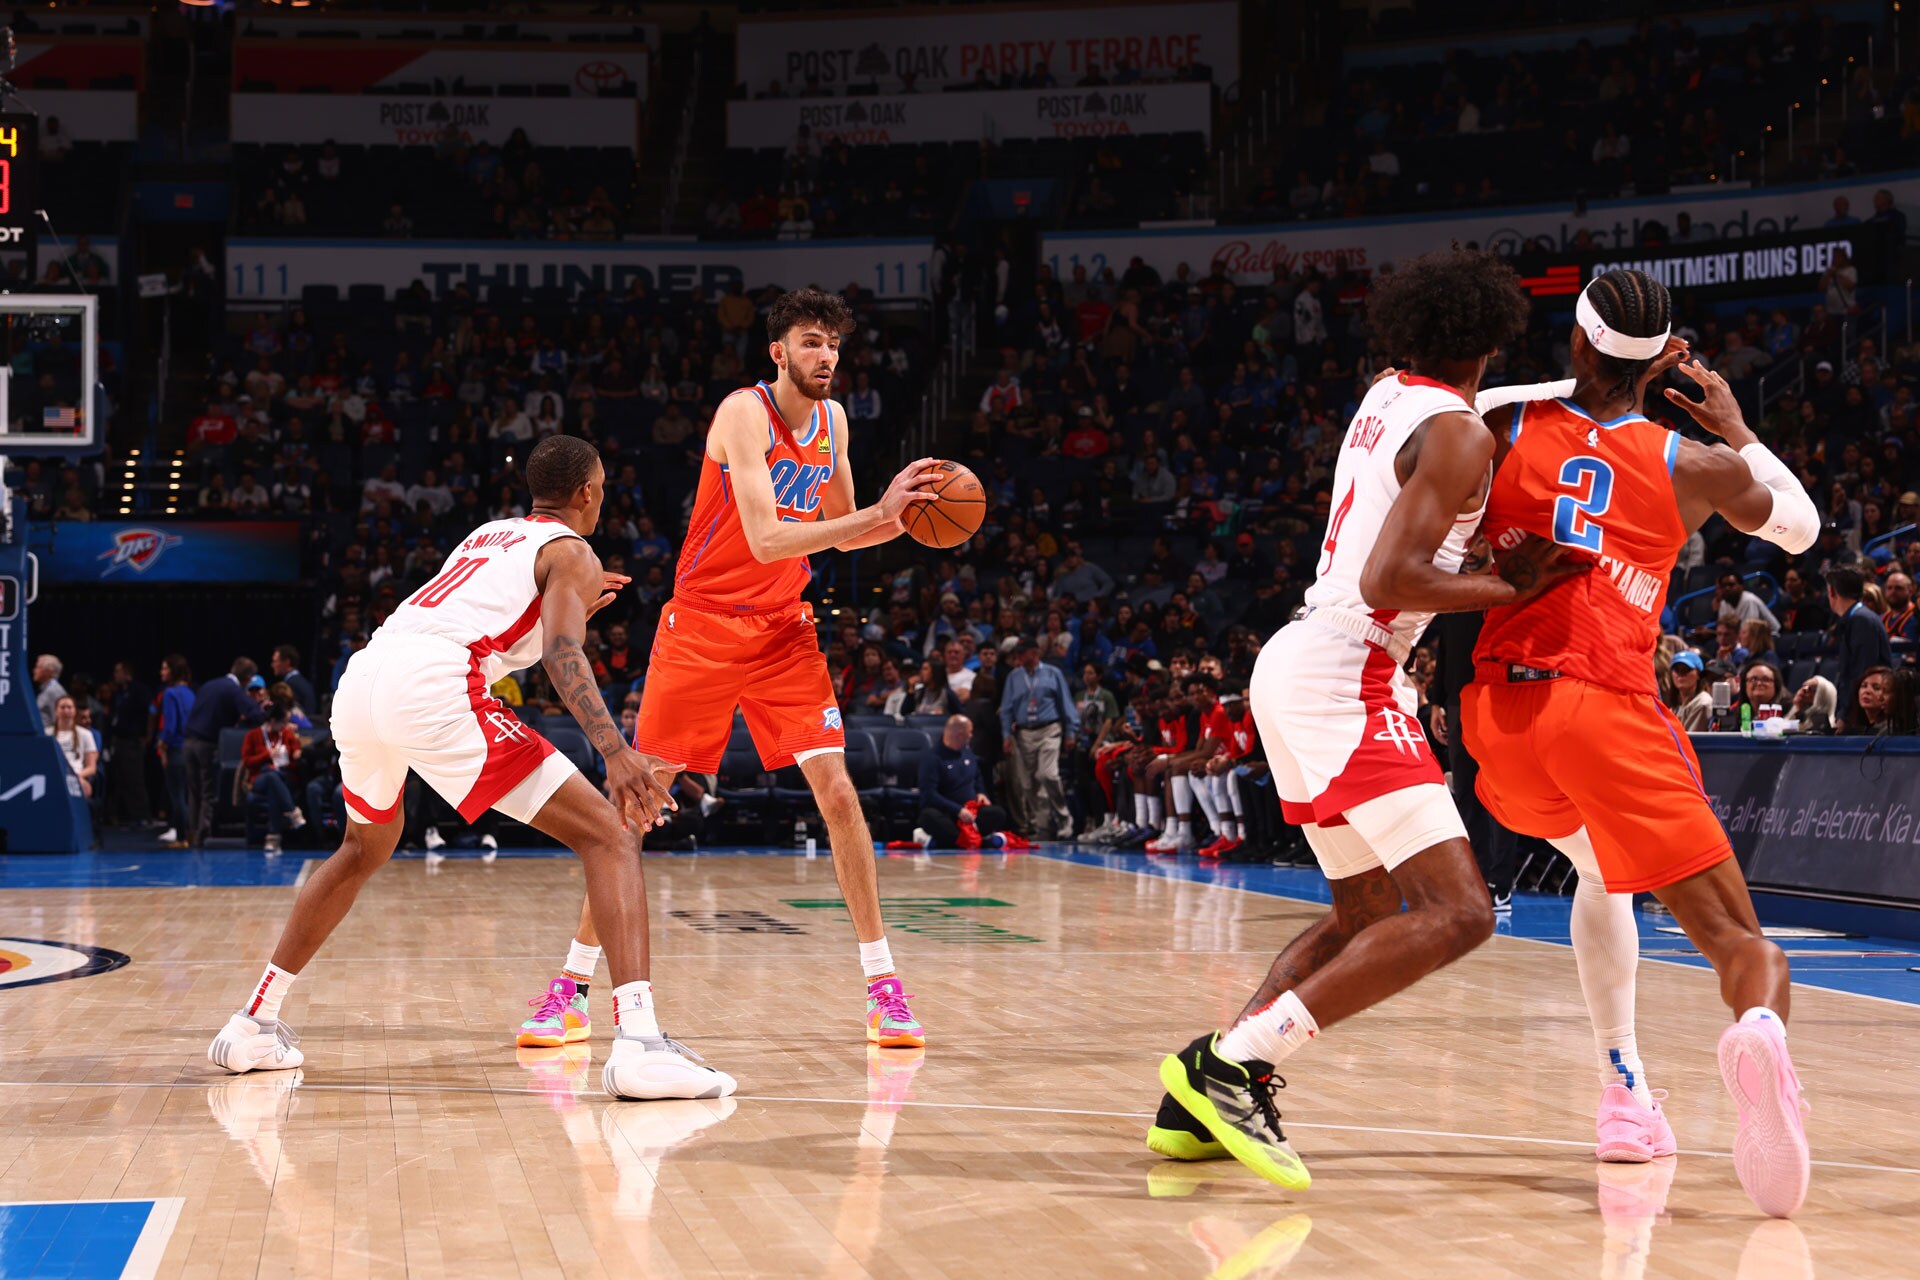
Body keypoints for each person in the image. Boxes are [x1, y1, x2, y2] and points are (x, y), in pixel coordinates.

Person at [1153, 249, 1573, 1190]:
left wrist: (1552, 387)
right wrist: (1507, 583)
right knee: (1461, 914)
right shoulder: (1462, 433)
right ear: (1492, 335)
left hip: (1299, 661)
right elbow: (1392, 580)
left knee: (1365, 910)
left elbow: (1480, 398)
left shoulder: (1389, 392)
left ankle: (1194, 1102)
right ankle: (1233, 1067)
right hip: (1351, 669)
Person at [208, 434, 725, 1104]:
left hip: (365, 677)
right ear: (588, 493)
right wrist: (617, 752)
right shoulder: (573, 551)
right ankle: (640, 1045)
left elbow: (498, 634)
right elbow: (564, 653)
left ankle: (254, 1023)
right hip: (434, 684)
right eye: (602, 487)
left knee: (362, 848)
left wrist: (547, 630)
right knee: (610, 835)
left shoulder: (488, 535)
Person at [1465, 268, 1822, 1217]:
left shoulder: (1504, 426)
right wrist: (1736, 424)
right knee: (1738, 943)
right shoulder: (1695, 463)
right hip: (1603, 705)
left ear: (1576, 345)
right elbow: (1800, 528)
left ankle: (1624, 1095)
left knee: (1597, 871)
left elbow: (1474, 402)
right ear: (1669, 358)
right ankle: (1757, 1032)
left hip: (1497, 722)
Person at [526, 290, 942, 1056]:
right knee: (636, 809)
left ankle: (884, 989)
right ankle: (570, 989)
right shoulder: (741, 415)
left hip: (785, 631)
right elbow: (767, 537)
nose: (828, 358)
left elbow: (844, 539)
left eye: (836, 347)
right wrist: (878, 514)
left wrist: (902, 516)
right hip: (704, 628)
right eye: (813, 343)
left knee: (839, 792)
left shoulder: (835, 422)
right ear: (779, 352)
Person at [181, 658, 271, 850]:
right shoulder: (233, 689)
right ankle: (201, 836)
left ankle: (191, 832)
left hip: (188, 742)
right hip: (205, 744)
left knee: (193, 791)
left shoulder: (210, 684)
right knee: (207, 791)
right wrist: (265, 711)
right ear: (247, 677)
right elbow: (254, 714)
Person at [998, 637, 1079, 839]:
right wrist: (1006, 735)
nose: (1017, 656)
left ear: (1034, 653)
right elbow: (1007, 708)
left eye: (1021, 652)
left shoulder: (1053, 673)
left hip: (1049, 729)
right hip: (1024, 733)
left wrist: (1070, 732)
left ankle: (1064, 818)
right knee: (1028, 784)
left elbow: (1066, 703)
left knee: (1048, 775)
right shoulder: (1013, 677)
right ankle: (1043, 826)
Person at [914, 714, 1013, 848]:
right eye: (970, 732)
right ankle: (981, 842)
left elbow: (977, 778)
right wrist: (958, 810)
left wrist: (981, 794)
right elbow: (929, 795)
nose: (972, 736)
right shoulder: (932, 759)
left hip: (970, 813)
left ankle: (946, 842)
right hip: (947, 812)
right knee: (929, 817)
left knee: (997, 813)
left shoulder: (968, 753)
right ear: (960, 734)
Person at [1826, 566, 1893, 731]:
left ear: (1832, 592)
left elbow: (1861, 672)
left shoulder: (1861, 620)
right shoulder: (1856, 618)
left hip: (1862, 717)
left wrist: (1844, 716)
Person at [241, 686, 307, 852]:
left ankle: (274, 836)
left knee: (274, 786)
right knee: (270, 777)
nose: (286, 725)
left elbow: (295, 757)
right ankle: (292, 812)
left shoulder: (287, 734)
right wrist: (267, 754)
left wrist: (297, 751)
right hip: (259, 779)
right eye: (282, 722)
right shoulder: (253, 735)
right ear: (272, 721)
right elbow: (248, 762)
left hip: (284, 777)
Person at [105, 661, 152, 826]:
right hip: (118, 741)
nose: (115, 675)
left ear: (127, 673)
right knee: (119, 779)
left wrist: (145, 736)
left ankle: (142, 816)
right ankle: (122, 815)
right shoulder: (117, 693)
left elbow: (149, 713)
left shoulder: (139, 692)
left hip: (133, 741)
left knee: (135, 779)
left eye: (118, 672)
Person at [156, 655, 195, 846]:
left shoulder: (170, 693)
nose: (161, 672)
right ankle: (189, 834)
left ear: (172, 670)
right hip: (189, 748)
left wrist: (162, 747)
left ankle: (181, 837)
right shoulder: (189, 692)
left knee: (177, 795)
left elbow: (170, 727)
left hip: (176, 749)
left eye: (164, 668)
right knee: (186, 794)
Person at [48, 695, 97, 800]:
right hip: (52, 774)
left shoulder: (85, 734)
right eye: (62, 707)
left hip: (75, 775)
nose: (66, 710)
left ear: (75, 711)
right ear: (56, 711)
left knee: (85, 788)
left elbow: (91, 767)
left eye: (69, 707)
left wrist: (77, 776)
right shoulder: (47, 733)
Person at [1667, 649, 1714, 730]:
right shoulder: (1676, 706)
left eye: (1686, 670)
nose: (1680, 674)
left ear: (1698, 674)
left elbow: (1690, 738)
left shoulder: (1702, 703)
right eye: (1677, 670)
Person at [271, 644, 317, 718]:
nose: (273, 665)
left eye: (275, 661)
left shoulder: (291, 685)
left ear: (287, 662)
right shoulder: (302, 681)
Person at [33, 654, 67, 732]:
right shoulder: (46, 689)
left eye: (37, 667)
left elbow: (59, 721)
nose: (34, 670)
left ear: (47, 671)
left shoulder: (54, 691)